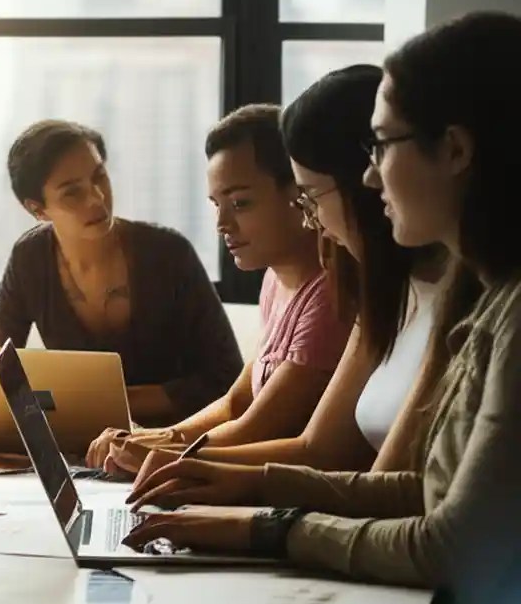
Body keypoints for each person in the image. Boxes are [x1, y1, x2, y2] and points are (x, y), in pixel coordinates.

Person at [122, 12, 521, 604]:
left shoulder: (505, 309)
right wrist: (254, 486)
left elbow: (446, 543)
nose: (371, 175)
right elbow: (424, 493)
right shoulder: (486, 300)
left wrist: (270, 524)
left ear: (454, 150)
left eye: (384, 144)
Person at [109, 66, 446, 479]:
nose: (312, 221)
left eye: (311, 197)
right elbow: (242, 404)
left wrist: (182, 461)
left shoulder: (361, 294)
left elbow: (340, 465)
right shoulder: (387, 293)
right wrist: (163, 445)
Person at [87, 105, 352, 470]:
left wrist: (162, 455)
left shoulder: (330, 295)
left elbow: (256, 428)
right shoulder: (275, 280)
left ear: (300, 193)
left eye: (240, 203)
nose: (222, 224)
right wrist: (155, 438)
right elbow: (236, 403)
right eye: (216, 204)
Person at [0, 120, 244, 428]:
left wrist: (101, 402)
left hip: (178, 438)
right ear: (38, 210)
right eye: (72, 193)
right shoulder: (30, 259)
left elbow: (227, 378)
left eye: (99, 177)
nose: (96, 198)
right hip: (86, 443)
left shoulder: (168, 254)